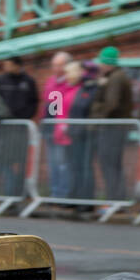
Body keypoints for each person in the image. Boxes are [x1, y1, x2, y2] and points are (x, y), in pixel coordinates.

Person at [89, 46, 134, 202]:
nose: (100, 65)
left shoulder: (115, 78)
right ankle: (115, 198)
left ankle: (115, 198)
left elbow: (112, 104)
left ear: (107, 63)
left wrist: (97, 112)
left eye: (102, 62)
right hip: (114, 127)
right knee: (112, 163)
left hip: (113, 128)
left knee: (110, 163)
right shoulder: (113, 76)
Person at [46, 61, 83, 200]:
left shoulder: (70, 88)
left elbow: (65, 109)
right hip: (56, 129)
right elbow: (52, 109)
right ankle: (56, 193)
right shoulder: (53, 84)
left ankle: (64, 193)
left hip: (67, 131)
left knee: (64, 164)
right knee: (55, 164)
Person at [66, 61, 101, 204]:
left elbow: (86, 108)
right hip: (72, 131)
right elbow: (54, 108)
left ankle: (84, 199)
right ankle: (73, 197)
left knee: (84, 166)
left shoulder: (88, 89)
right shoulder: (78, 89)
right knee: (74, 166)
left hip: (84, 133)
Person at [0, 56, 39, 121]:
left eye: (8, 65)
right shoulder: (1, 80)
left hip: (22, 120)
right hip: (5, 120)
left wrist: (27, 115)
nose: (5, 67)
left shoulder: (28, 80)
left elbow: (34, 100)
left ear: (17, 66)